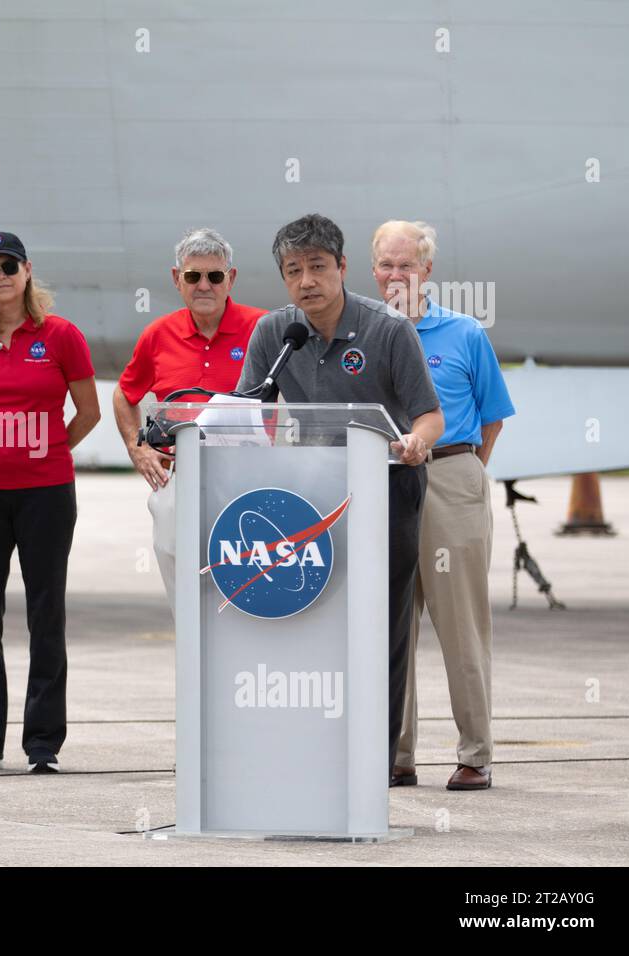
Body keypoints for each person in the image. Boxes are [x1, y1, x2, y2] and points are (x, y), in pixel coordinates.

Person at [238, 213, 443, 781]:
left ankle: (374, 763)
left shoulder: (388, 329)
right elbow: (249, 411)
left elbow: (430, 415)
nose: (307, 281)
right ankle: (311, 747)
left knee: (382, 625)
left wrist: (415, 443)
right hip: (309, 494)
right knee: (311, 617)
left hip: (387, 486)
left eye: (318, 267)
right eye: (293, 270)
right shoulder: (275, 333)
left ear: (343, 268)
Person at [0, 231, 100, 773]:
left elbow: (89, 411)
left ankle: (42, 745)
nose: (1, 274)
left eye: (10, 265)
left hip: (46, 494)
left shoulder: (60, 335)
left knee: (44, 615)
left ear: (27, 270)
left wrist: (48, 449)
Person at [372, 220, 515, 791]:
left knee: (461, 621)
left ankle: (475, 753)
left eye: (407, 264)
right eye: (386, 264)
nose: (396, 275)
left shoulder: (463, 333)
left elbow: (493, 414)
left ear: (427, 270)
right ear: (373, 270)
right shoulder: (365, 335)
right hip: (385, 479)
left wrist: (464, 469)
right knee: (389, 621)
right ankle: (394, 753)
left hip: (451, 473)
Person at [112, 227, 267, 606]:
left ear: (230, 278)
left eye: (215, 276)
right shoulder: (158, 334)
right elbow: (124, 394)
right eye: (192, 276)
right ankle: (193, 661)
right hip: (181, 478)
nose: (204, 286)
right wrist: (139, 449)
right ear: (176, 279)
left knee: (247, 587)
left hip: (251, 479)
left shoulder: (263, 328)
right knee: (186, 591)